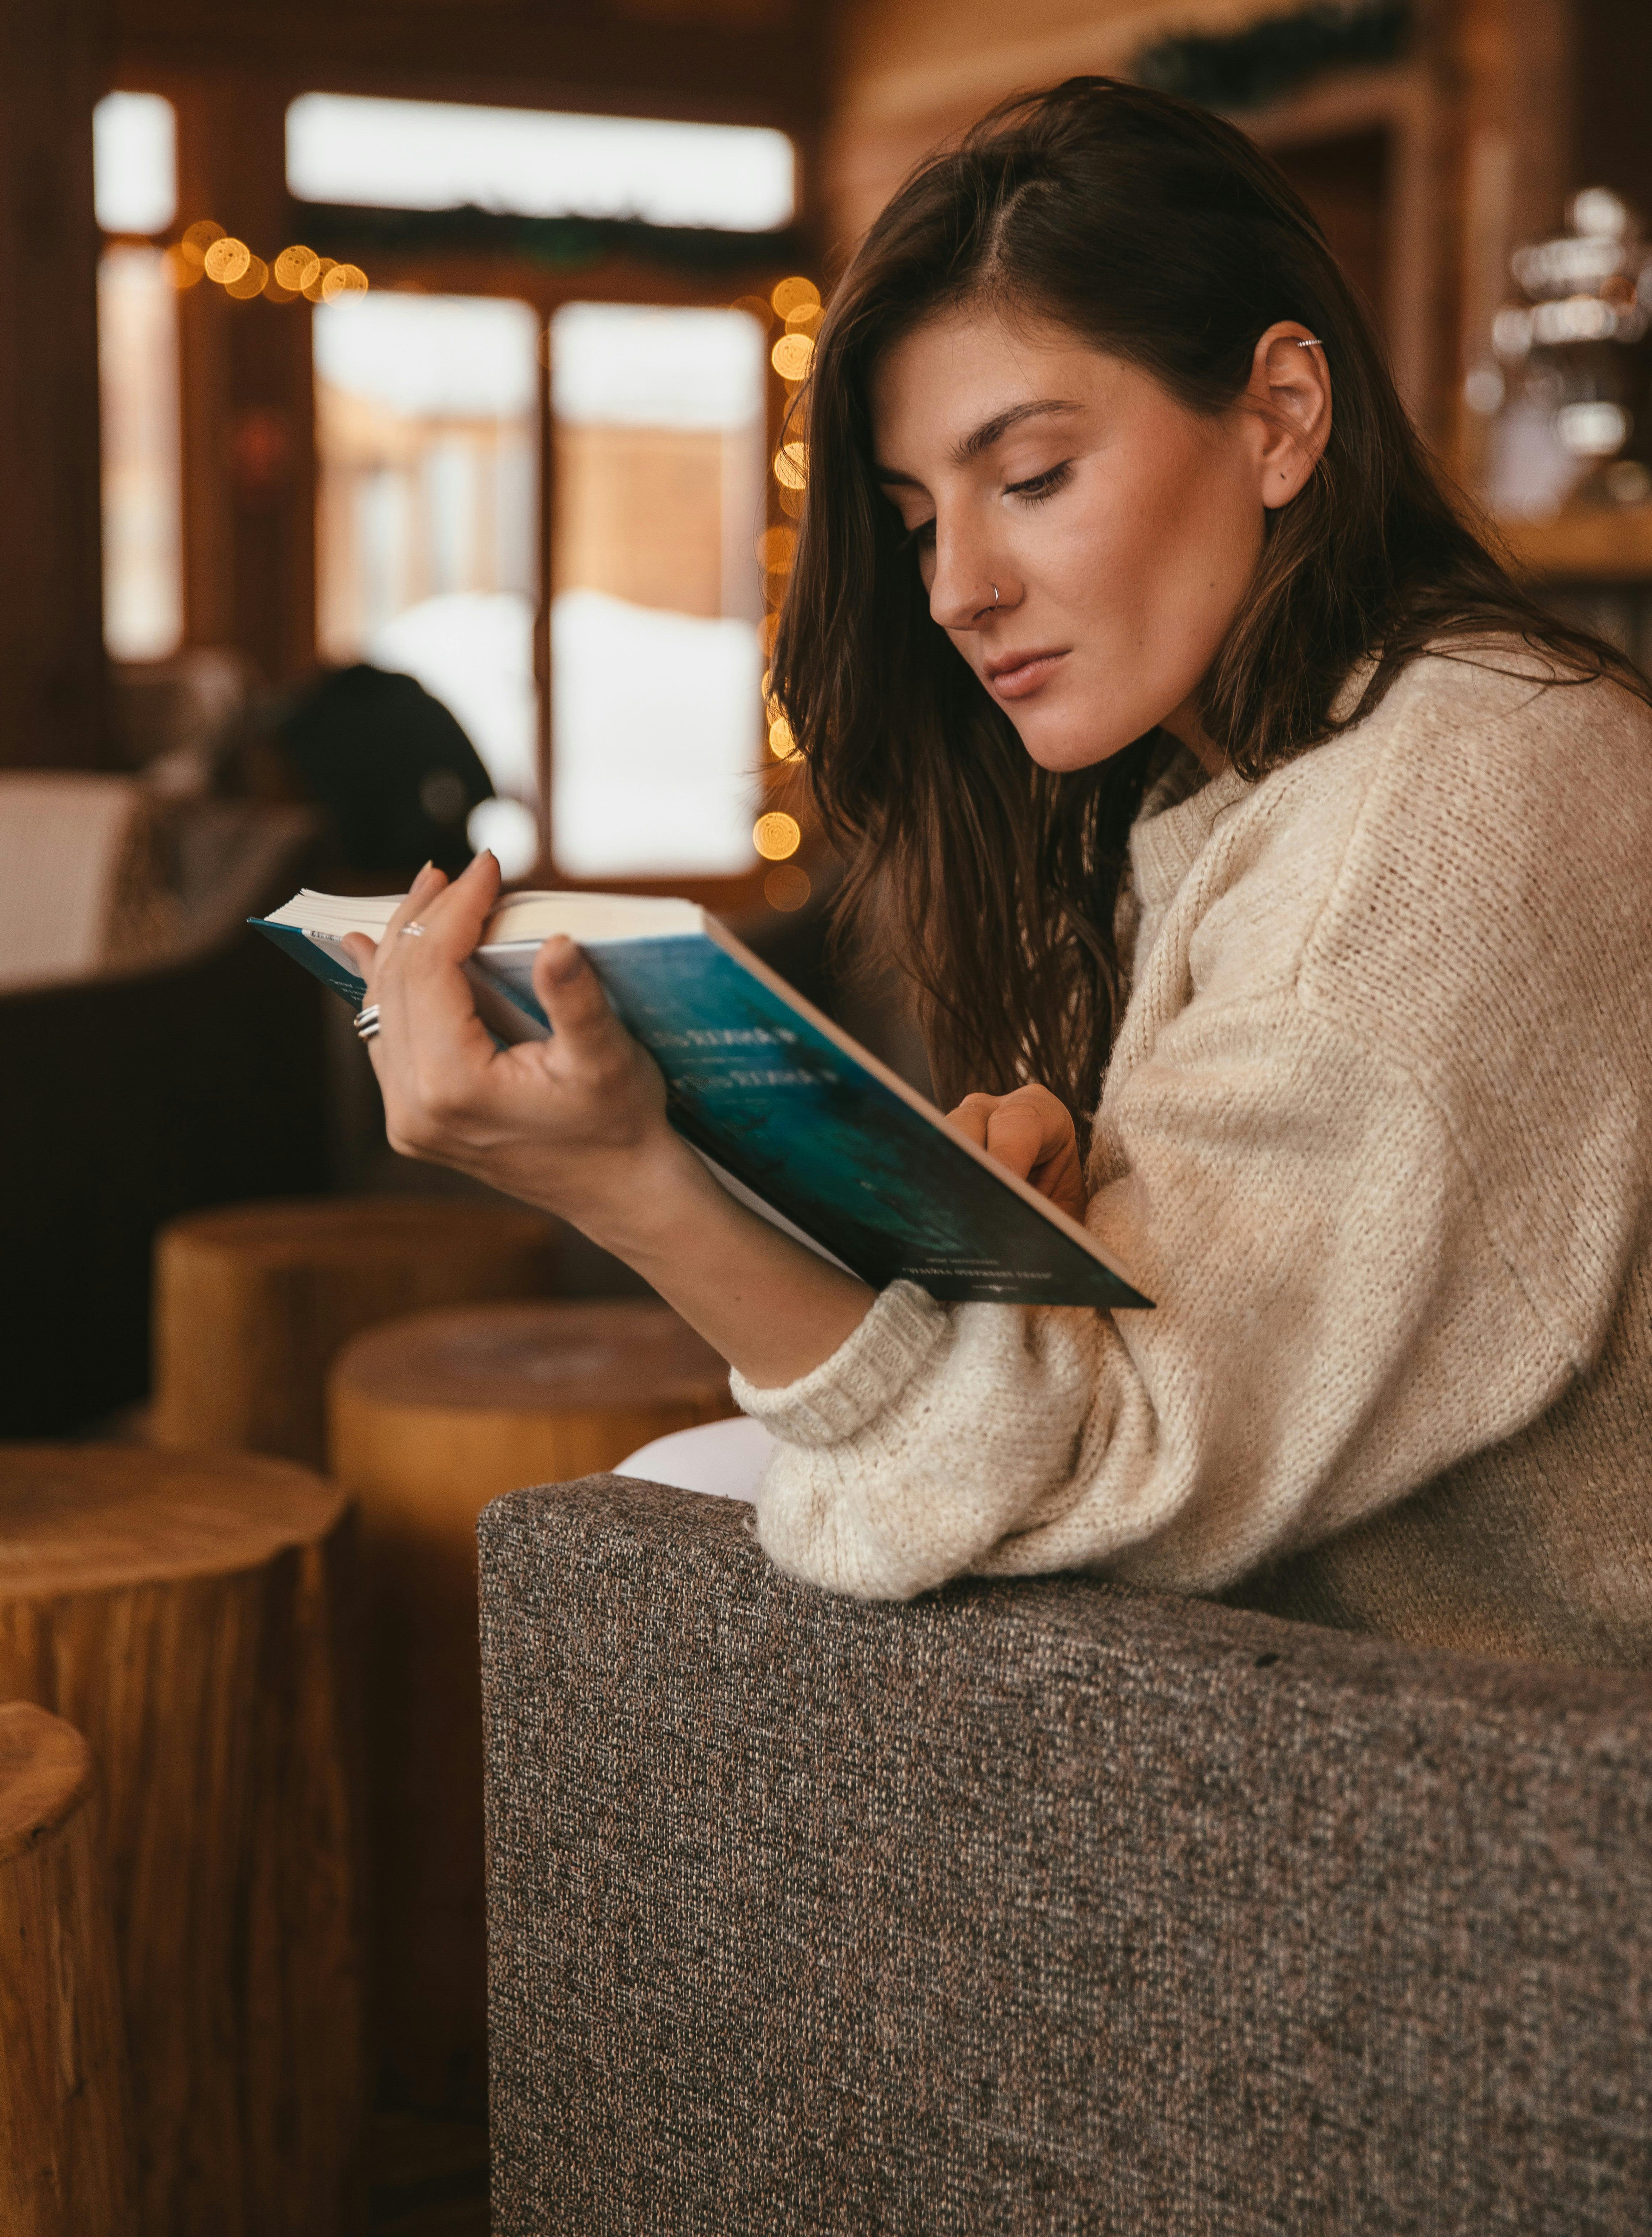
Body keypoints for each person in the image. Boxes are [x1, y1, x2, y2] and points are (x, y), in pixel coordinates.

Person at [343, 78, 1652, 1664]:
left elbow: (1084, 1472)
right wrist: (1089, 1194)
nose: (959, 588)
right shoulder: (1253, 777)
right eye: (914, 523)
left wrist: (625, 1184)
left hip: (1510, 1790)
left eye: (1031, 477)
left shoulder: (1439, 815)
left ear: (1281, 418)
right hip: (1333, 1686)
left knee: (679, 1555)